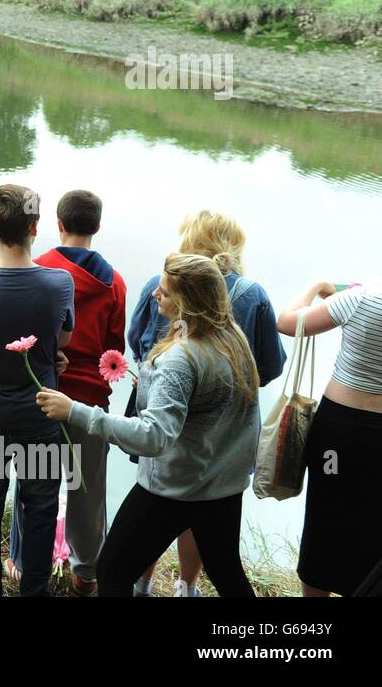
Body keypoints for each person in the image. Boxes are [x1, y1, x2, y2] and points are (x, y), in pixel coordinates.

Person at [38, 253, 262, 597]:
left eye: (165, 293)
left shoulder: (181, 358)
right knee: (227, 572)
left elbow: (153, 437)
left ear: (188, 303)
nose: (156, 296)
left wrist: (76, 411)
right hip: (223, 489)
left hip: (173, 489)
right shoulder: (233, 341)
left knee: (112, 572)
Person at [127, 210, 285, 596]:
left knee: (151, 503)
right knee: (205, 507)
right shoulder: (252, 295)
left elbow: (137, 341)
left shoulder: (158, 284)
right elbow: (270, 365)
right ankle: (186, 586)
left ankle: (141, 583)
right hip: (223, 430)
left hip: (156, 414)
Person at [0, 184, 73, 597]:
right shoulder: (60, 284)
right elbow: (64, 340)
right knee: (39, 508)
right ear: (35, 228)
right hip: (41, 416)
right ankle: (34, 591)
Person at [7, 190, 126, 596]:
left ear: (58, 224)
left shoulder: (39, 269)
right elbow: (115, 351)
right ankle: (86, 575)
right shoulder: (115, 283)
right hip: (91, 405)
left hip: (43, 395)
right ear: (97, 226)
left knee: (34, 482)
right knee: (87, 492)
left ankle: (24, 562)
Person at [276, 281, 382, 597]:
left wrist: (316, 286)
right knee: (373, 522)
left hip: (339, 434)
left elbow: (287, 322)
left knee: (326, 513)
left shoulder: (360, 298)